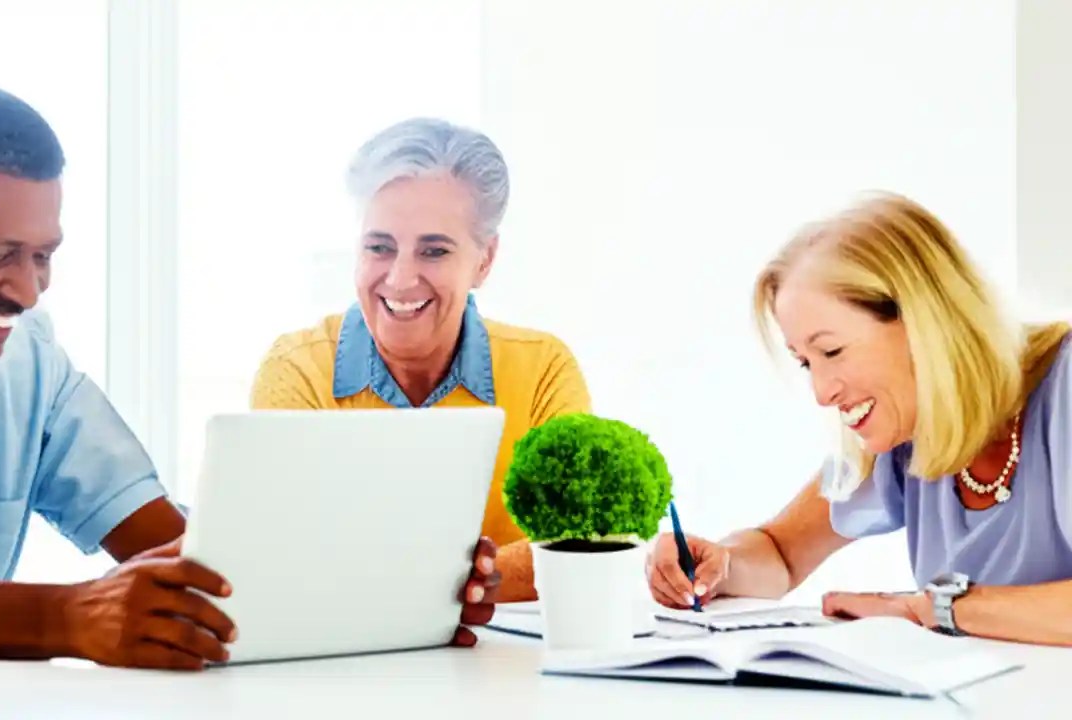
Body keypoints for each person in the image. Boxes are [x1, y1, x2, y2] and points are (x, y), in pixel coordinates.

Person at [0, 83, 496, 666]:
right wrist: (61, 618)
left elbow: (184, 551)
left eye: (42, 256)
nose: (28, 291)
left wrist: (399, 586)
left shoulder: (28, 360)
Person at [647, 191, 1072, 645]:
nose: (822, 393)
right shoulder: (905, 432)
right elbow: (781, 552)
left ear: (924, 321)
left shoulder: (1062, 386)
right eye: (806, 362)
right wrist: (722, 564)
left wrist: (930, 608)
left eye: (832, 351)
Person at [249, 117, 590, 603]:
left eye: (434, 251)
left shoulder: (543, 370)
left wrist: (442, 581)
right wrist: (469, 578)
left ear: (484, 261)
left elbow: (579, 546)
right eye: (379, 247)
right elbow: (282, 556)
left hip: (504, 668)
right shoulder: (298, 371)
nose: (401, 278)